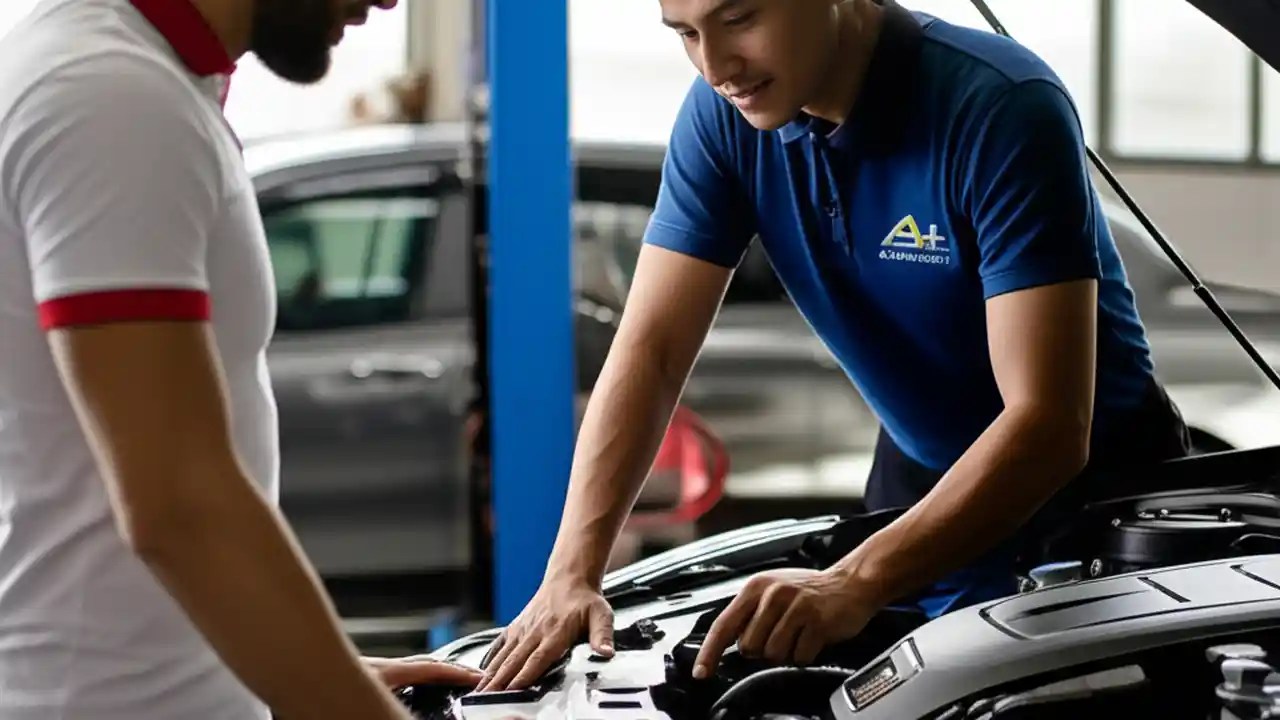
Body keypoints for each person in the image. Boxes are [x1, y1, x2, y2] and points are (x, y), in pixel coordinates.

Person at [476, 0, 1191, 692]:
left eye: (739, 18)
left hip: (1097, 514)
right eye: (686, 33)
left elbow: (1049, 425)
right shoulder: (723, 121)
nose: (717, 65)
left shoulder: (1002, 105)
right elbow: (652, 352)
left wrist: (858, 579)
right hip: (916, 492)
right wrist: (572, 571)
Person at [0, 0, 481, 718]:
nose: (391, 0)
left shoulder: (128, 72)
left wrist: (318, 674)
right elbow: (179, 506)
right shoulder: (111, 95)